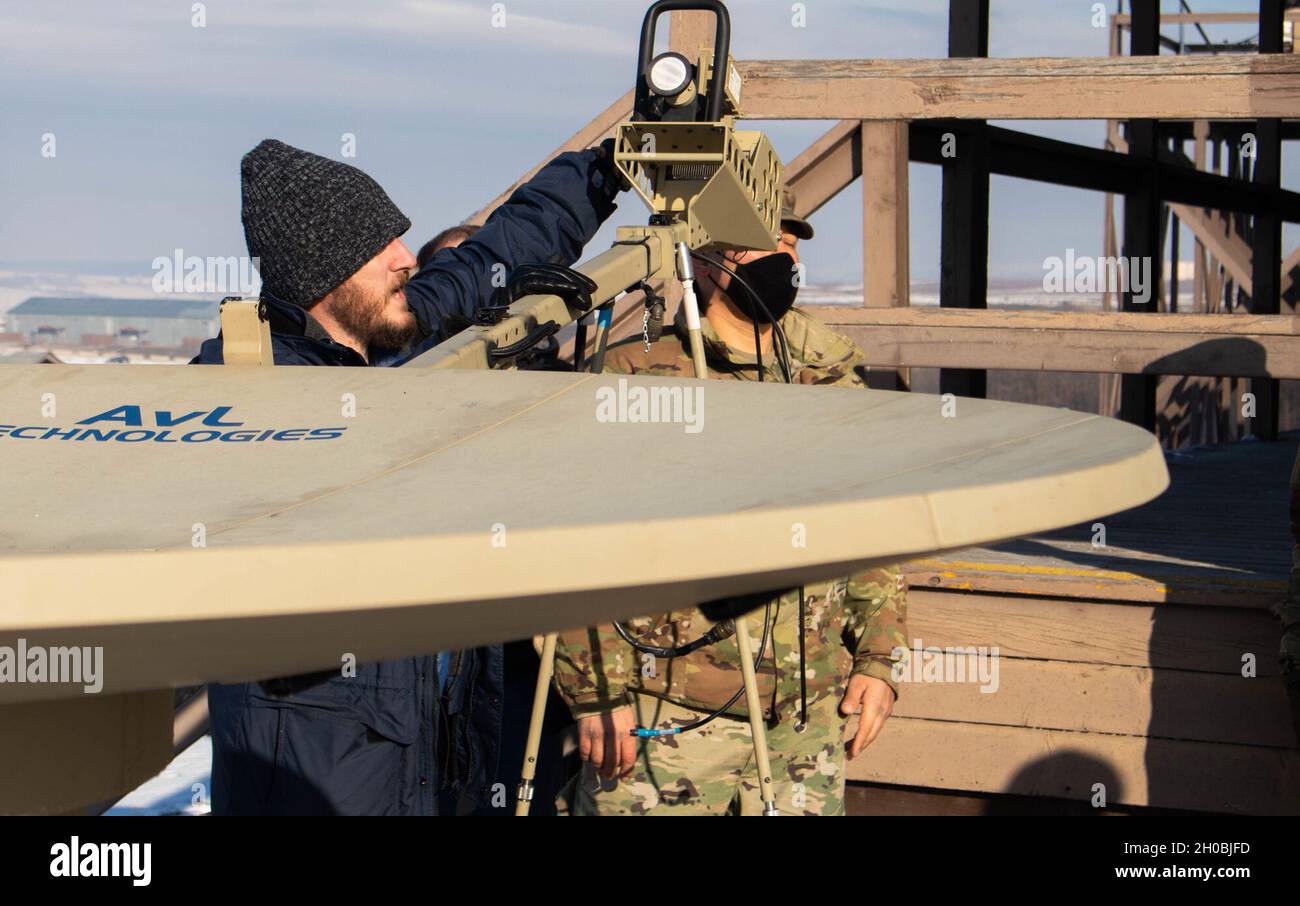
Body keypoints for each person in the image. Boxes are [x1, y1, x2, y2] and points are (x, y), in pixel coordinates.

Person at [194, 137, 625, 815]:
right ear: (324, 275)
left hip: (426, 759)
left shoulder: (397, 345)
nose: (405, 259)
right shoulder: (243, 400)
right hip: (321, 776)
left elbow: (494, 255)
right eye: (381, 250)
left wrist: (604, 170)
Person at [551, 187, 909, 816]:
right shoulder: (636, 378)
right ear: (710, 259)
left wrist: (879, 660)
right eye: (757, 244)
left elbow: (874, 532)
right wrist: (595, 689)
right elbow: (569, 540)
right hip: (667, 723)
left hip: (806, 723)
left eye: (789, 245)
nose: (779, 258)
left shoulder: (834, 379)